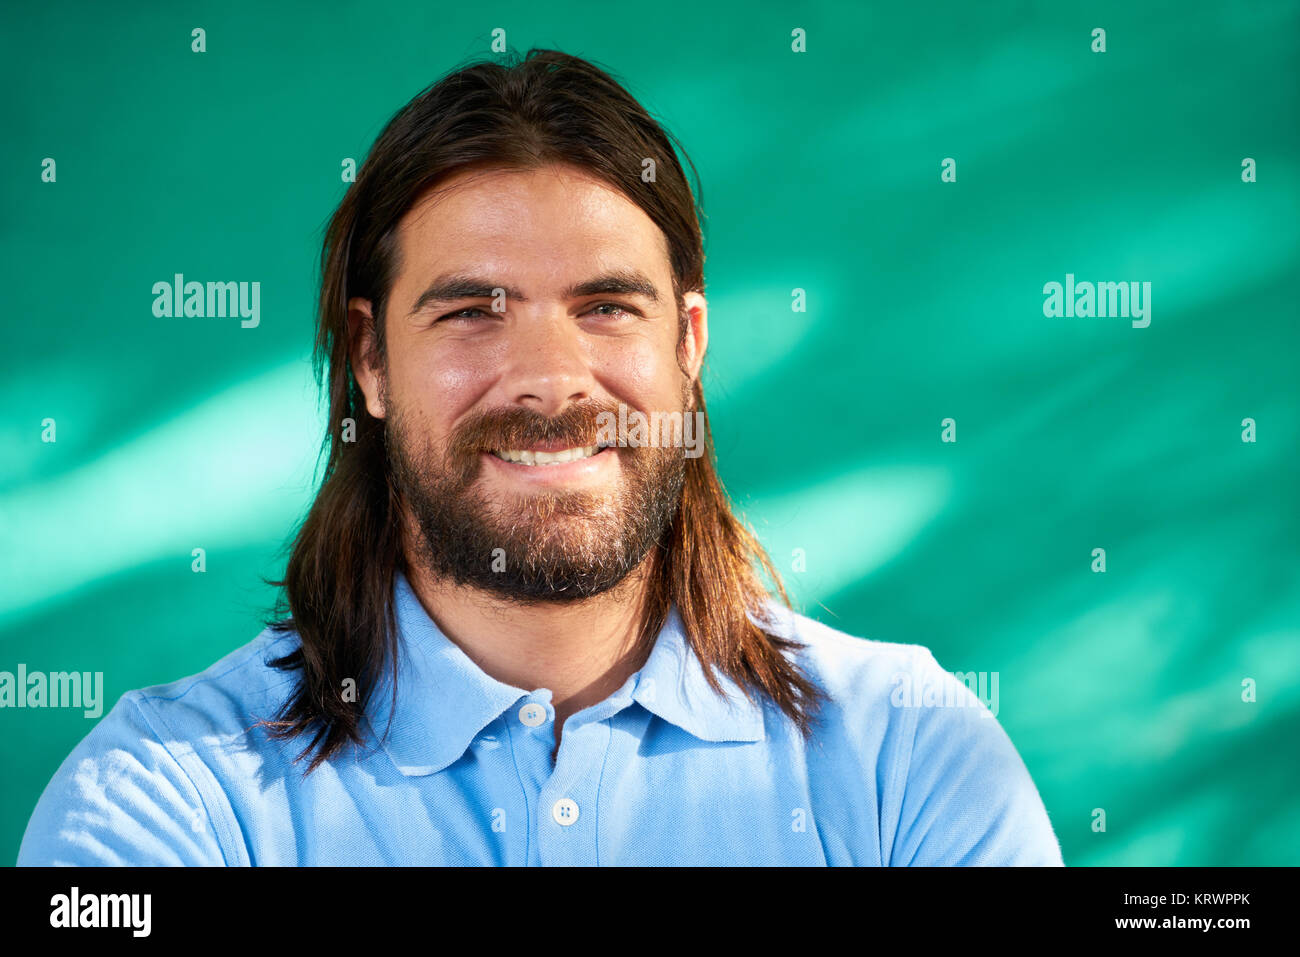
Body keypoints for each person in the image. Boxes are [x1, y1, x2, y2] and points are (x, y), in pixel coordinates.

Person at [18, 49, 1063, 866]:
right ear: (371, 362)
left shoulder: (912, 758)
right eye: (472, 311)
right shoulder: (163, 805)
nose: (550, 381)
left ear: (688, 349)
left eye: (606, 307)